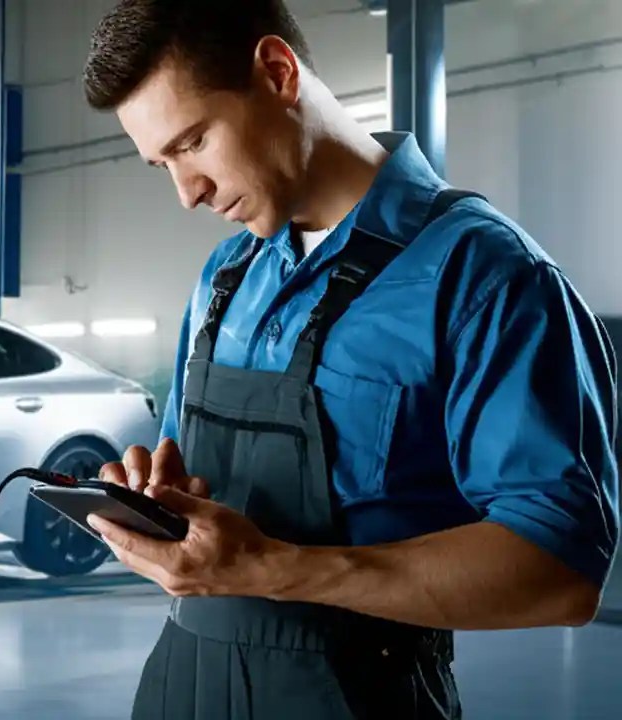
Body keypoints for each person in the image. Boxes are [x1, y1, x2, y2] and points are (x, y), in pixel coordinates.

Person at [79, 1, 621, 718]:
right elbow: (193, 476)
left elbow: (561, 573)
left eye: (194, 142)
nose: (187, 193)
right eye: (162, 163)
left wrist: (277, 570)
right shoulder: (225, 279)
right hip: (182, 688)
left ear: (277, 73)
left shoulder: (483, 275)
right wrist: (160, 496)